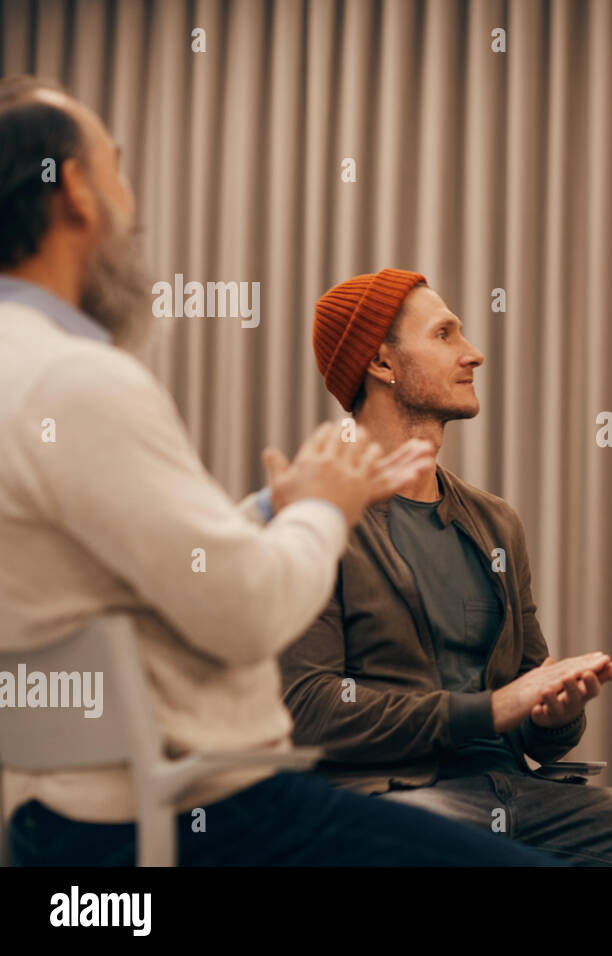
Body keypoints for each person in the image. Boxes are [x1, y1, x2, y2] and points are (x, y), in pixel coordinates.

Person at [0, 76, 556, 866]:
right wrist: (323, 512)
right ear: (79, 193)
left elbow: (157, 566)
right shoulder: (81, 380)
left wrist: (272, 506)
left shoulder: (22, 371)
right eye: (118, 169)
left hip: (51, 820)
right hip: (201, 814)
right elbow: (245, 611)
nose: (135, 209)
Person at [279, 270, 612, 866]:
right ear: (382, 363)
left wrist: (554, 712)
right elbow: (310, 709)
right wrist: (490, 710)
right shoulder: (319, 521)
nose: (473, 353)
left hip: (514, 789)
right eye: (445, 335)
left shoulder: (493, 522)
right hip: (394, 794)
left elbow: (535, 714)